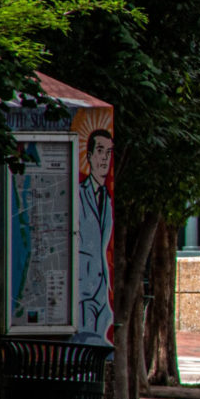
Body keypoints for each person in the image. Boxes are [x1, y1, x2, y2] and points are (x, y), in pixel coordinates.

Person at [78, 128, 113, 342]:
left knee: (97, 352)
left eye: (109, 153)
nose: (105, 159)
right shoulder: (79, 194)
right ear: (89, 156)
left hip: (102, 292)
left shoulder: (107, 199)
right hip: (83, 290)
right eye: (100, 151)